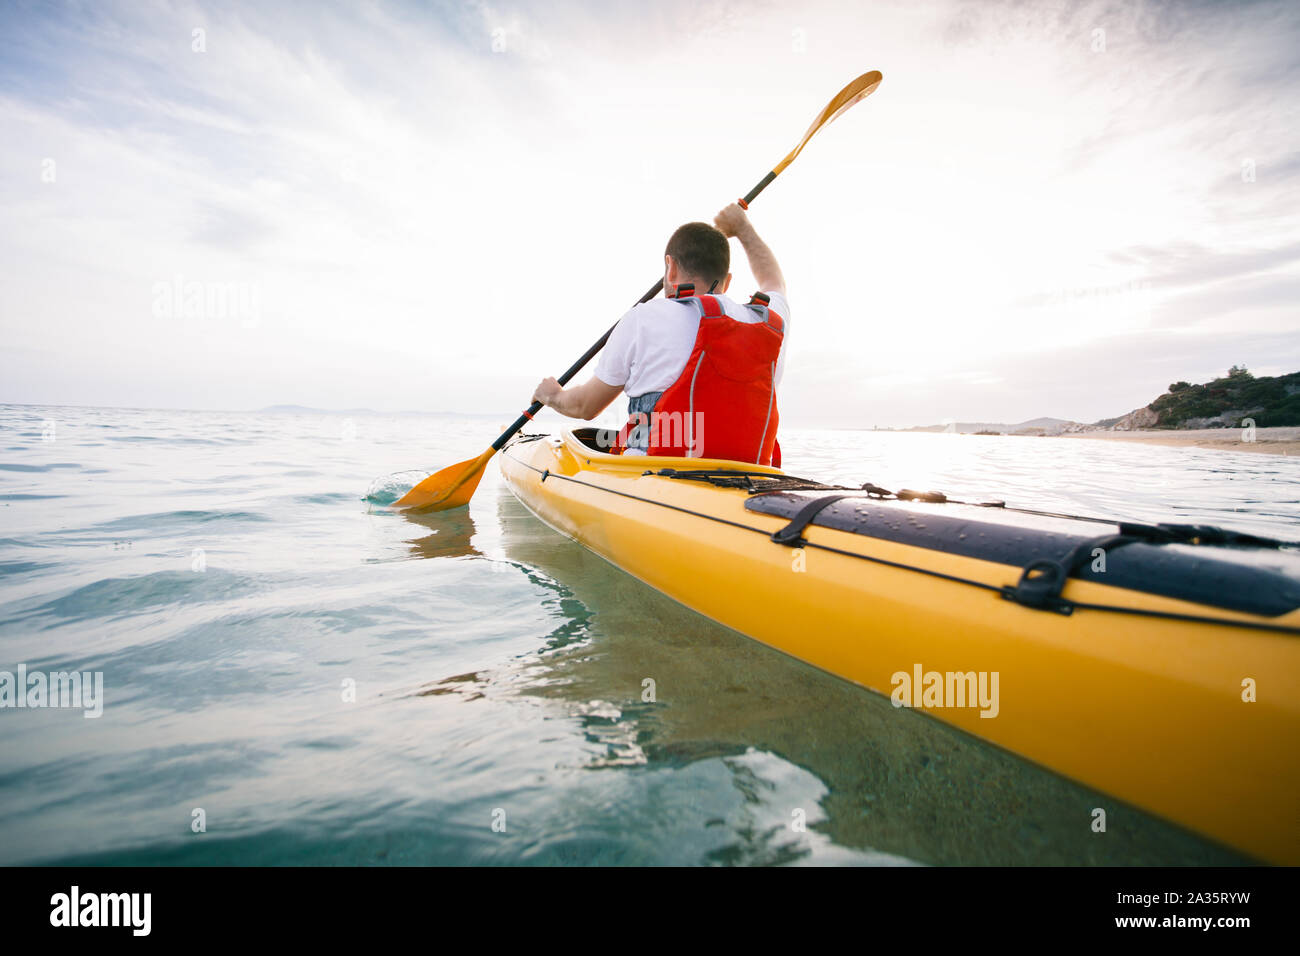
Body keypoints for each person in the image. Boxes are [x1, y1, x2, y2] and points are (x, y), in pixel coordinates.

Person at [531, 203, 790, 465]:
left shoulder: (643, 317)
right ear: (728, 280)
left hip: (655, 477)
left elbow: (585, 407)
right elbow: (774, 282)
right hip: (748, 481)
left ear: (671, 267)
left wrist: (552, 395)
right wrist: (742, 228)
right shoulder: (768, 321)